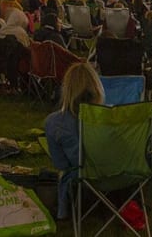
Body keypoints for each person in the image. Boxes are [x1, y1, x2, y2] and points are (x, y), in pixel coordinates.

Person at [43, 62, 105, 221]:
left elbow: (61, 164)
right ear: (97, 87)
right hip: (121, 179)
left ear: (67, 89)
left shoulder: (54, 122)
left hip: (82, 185)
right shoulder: (112, 117)